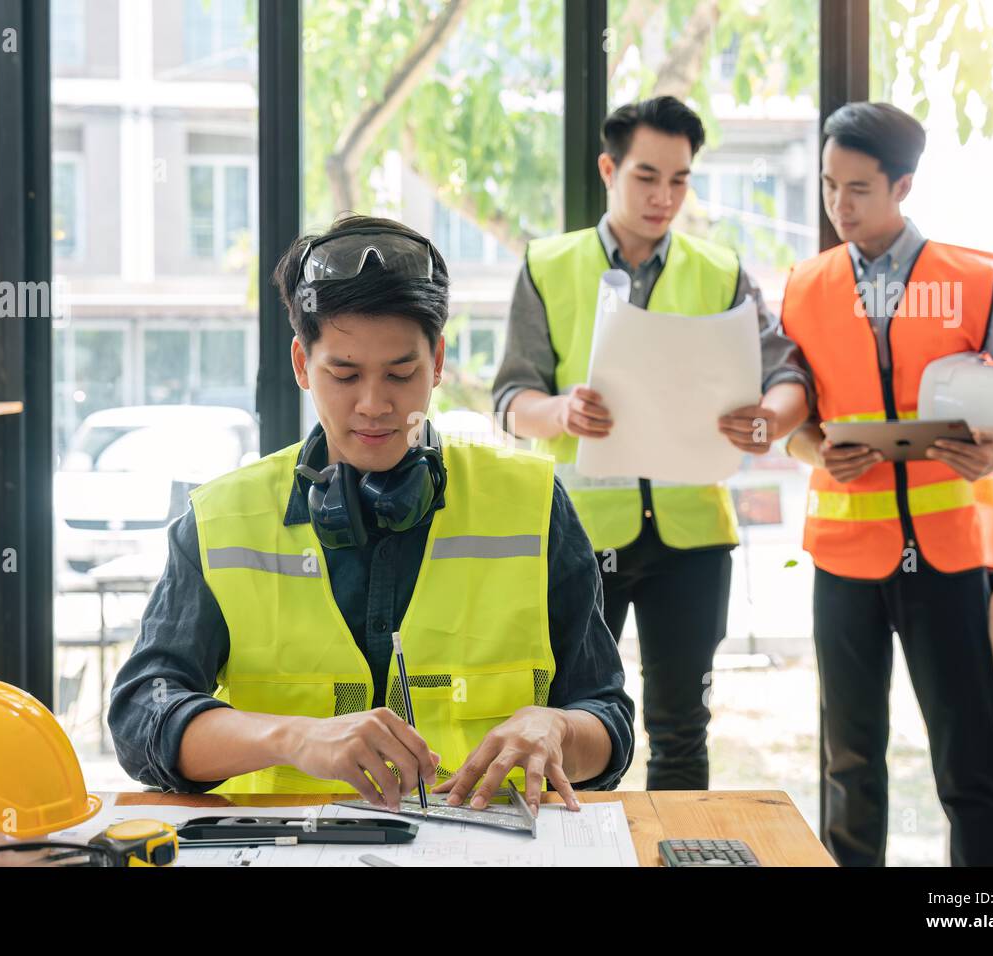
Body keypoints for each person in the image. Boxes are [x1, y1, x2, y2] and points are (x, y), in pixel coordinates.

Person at [109, 214, 635, 814]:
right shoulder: (222, 519)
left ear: (437, 361)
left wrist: (559, 731)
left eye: (402, 373)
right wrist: (294, 737)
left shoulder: (534, 505)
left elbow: (607, 720)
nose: (374, 404)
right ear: (302, 365)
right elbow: (141, 717)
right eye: (344, 373)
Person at [777, 101, 993, 866]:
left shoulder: (970, 281)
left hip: (945, 558)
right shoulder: (804, 286)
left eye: (858, 190)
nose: (838, 207)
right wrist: (816, 451)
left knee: (968, 764)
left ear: (903, 186)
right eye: (827, 186)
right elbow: (792, 415)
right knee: (849, 764)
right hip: (843, 558)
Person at [492, 95, 811, 790]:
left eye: (679, 179)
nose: (663, 196)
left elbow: (789, 373)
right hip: (579, 538)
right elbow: (511, 401)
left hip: (691, 540)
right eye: (646, 176)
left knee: (681, 728)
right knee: (573, 722)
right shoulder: (548, 265)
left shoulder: (719, 270)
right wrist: (561, 412)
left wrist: (769, 423)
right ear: (609, 169)